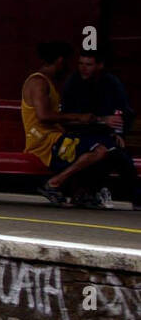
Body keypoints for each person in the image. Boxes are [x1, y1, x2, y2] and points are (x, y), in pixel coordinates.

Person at [21, 41, 121, 206]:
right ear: (60, 61)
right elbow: (43, 116)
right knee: (98, 150)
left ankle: (81, 192)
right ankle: (54, 183)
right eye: (67, 62)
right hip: (44, 142)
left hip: (56, 138)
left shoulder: (47, 82)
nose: (70, 67)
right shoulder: (38, 82)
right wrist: (78, 117)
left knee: (106, 148)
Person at [59, 49, 137, 208]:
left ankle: (137, 200)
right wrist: (99, 121)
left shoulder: (110, 82)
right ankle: (85, 192)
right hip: (80, 133)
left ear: (99, 66)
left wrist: (119, 132)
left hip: (104, 135)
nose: (83, 68)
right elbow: (67, 115)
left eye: (89, 64)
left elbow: (122, 110)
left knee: (119, 155)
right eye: (81, 64)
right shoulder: (73, 82)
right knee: (96, 151)